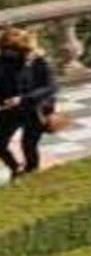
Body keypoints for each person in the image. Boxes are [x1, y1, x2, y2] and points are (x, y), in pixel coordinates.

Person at [0, 28, 58, 179]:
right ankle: (16, 169)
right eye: (4, 50)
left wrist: (22, 99)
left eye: (10, 51)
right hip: (10, 110)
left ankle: (32, 174)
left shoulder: (39, 61)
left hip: (34, 109)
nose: (7, 54)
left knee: (29, 146)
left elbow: (50, 87)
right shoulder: (4, 61)